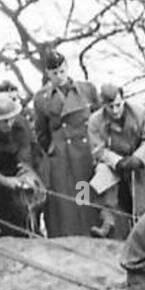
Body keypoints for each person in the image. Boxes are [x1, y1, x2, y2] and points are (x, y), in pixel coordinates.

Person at [32, 49, 99, 237]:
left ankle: (88, 233)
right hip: (60, 158)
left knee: (83, 197)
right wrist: (54, 149)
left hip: (82, 156)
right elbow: (41, 133)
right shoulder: (41, 98)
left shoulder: (87, 90)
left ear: (67, 68)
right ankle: (65, 239)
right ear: (47, 73)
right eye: (54, 73)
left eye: (62, 71)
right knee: (63, 204)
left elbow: (99, 121)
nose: (59, 76)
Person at [87, 83, 145, 235]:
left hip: (140, 161)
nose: (115, 111)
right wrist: (116, 161)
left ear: (123, 100)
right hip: (114, 163)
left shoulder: (140, 113)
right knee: (101, 173)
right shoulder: (95, 121)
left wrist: (138, 158)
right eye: (110, 107)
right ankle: (107, 222)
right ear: (103, 105)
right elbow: (97, 149)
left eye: (118, 105)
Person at [0, 94, 42, 236]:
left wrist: (25, 177)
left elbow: (25, 159)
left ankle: (31, 229)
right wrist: (7, 181)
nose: (8, 124)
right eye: (3, 121)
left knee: (30, 197)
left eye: (11, 119)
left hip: (14, 166)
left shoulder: (21, 125)